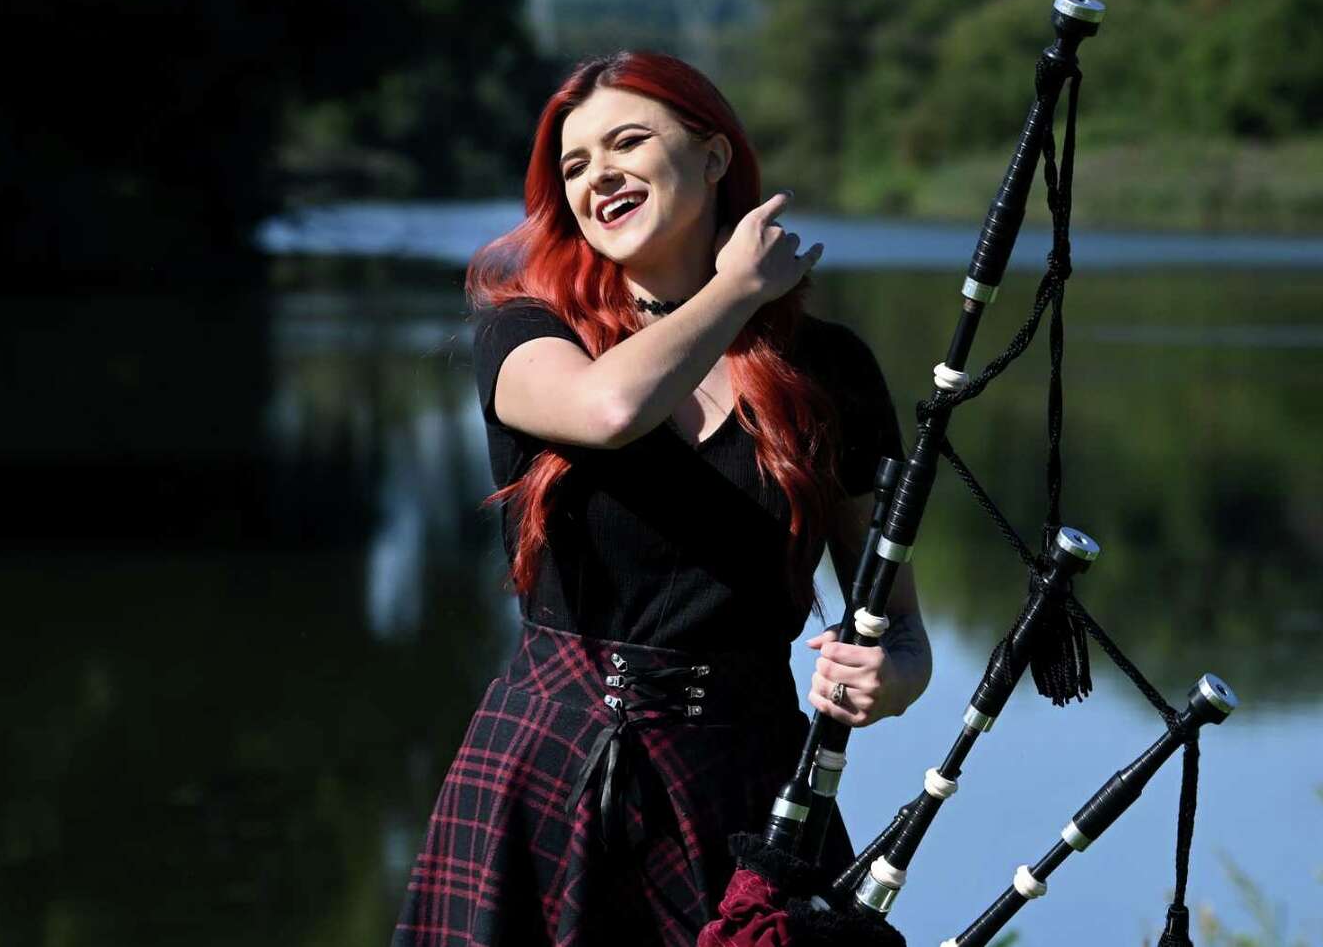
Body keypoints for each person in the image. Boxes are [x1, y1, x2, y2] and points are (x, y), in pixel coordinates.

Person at [394, 51, 931, 946]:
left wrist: (892, 676)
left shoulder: (831, 371)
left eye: (627, 141)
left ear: (714, 156)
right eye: (573, 165)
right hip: (545, 774)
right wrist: (736, 289)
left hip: (748, 790)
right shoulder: (525, 329)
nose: (598, 174)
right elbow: (610, 410)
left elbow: (901, 630)